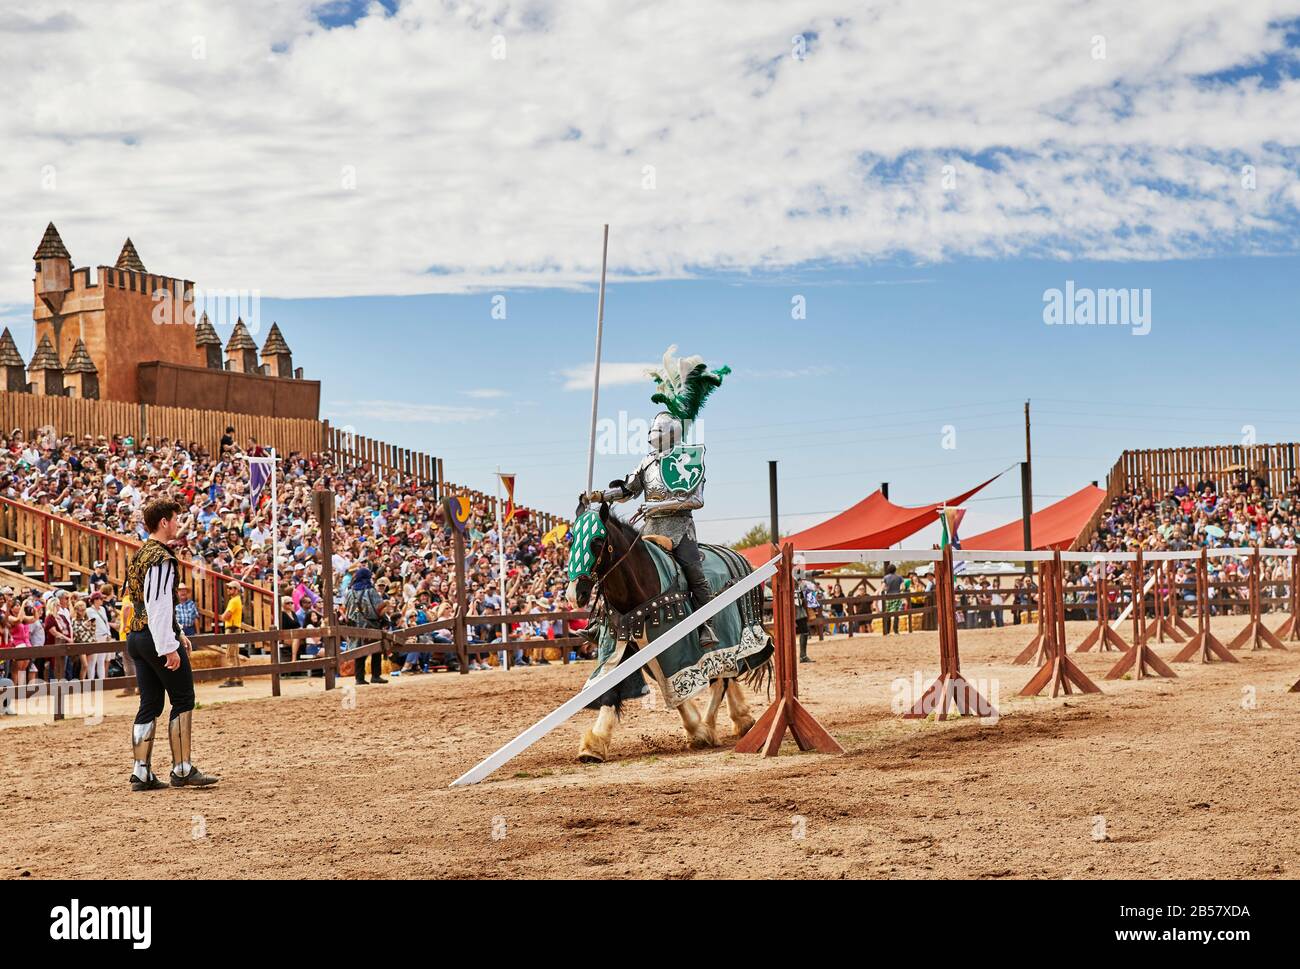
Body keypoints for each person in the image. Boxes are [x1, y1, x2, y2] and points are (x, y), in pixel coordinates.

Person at [586, 347, 729, 646]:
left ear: (670, 434)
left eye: (657, 432)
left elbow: (696, 500)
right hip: (649, 528)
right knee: (618, 566)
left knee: (693, 572)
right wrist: (600, 495)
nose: (653, 436)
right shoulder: (647, 462)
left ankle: (706, 625)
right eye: (653, 431)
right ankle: (601, 623)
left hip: (678, 529)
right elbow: (627, 491)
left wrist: (655, 504)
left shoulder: (688, 461)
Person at [124, 498, 218, 791]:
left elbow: (144, 603)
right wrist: (168, 645)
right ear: (164, 522)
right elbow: (159, 604)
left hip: (136, 636)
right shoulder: (162, 558)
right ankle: (182, 768)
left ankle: (141, 772)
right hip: (154, 637)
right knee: (183, 698)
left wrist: (177, 633)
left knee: (149, 703)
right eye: (176, 519)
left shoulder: (140, 554)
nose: (179, 524)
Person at [345, 567, 388, 685]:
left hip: (354, 626)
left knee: (359, 651)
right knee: (376, 649)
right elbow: (379, 608)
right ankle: (375, 675)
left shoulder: (350, 592)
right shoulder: (371, 591)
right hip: (370, 624)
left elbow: (345, 608)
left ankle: (359, 678)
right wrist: (385, 617)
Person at [219, 581, 244, 688]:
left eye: (231, 588)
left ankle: (231, 678)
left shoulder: (233, 601)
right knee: (235, 654)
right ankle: (238, 678)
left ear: (236, 590)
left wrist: (222, 616)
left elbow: (226, 616)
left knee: (230, 654)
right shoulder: (236, 600)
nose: (228, 589)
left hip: (232, 628)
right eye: (228, 588)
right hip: (235, 628)